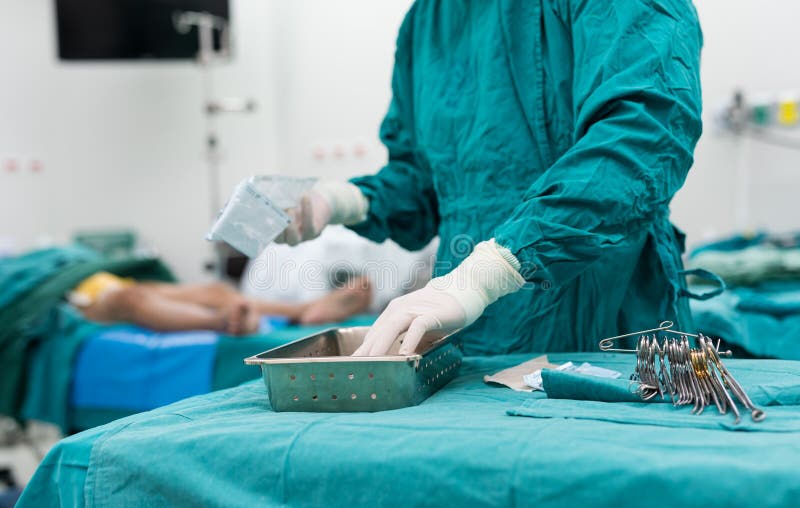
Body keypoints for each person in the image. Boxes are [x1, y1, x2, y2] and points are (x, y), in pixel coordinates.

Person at [276, 1, 704, 357]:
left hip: (606, 323)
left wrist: (492, 271)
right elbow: (424, 179)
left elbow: (644, 136)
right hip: (476, 337)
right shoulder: (428, 19)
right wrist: (340, 201)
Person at [69, 271, 372, 335]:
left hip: (116, 280)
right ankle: (221, 321)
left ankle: (304, 311)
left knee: (215, 290)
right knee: (130, 299)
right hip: (81, 295)